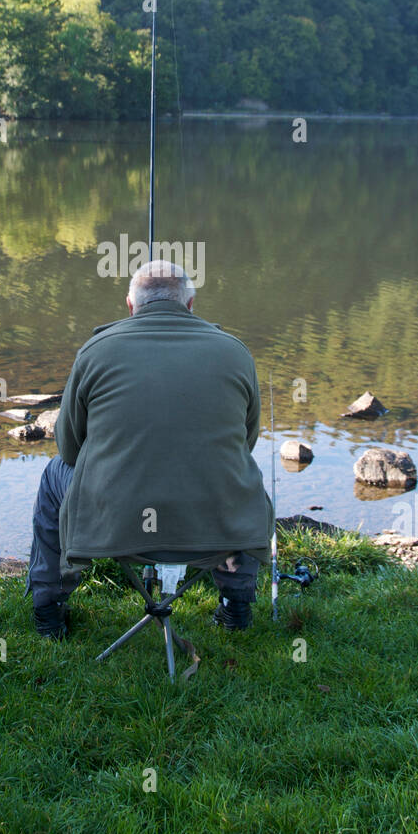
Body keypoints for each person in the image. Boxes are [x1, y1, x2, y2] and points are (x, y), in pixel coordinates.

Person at [26, 260, 273, 639]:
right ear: (191, 305)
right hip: (214, 524)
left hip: (115, 526)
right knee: (238, 472)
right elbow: (247, 441)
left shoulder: (94, 352)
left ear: (129, 306)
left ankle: (48, 611)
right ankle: (235, 606)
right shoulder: (235, 352)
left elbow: (69, 449)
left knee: (53, 475)